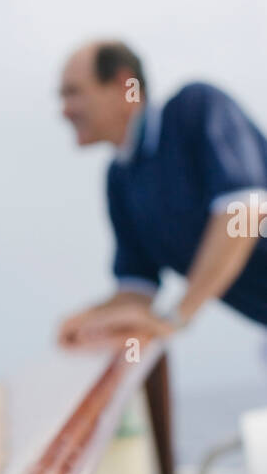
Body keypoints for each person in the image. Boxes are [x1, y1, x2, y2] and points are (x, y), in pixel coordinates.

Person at [56, 41, 267, 349]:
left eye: (73, 92)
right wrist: (91, 319)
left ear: (125, 86)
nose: (64, 110)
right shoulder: (120, 179)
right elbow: (138, 288)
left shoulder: (195, 108)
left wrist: (175, 319)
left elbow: (244, 211)